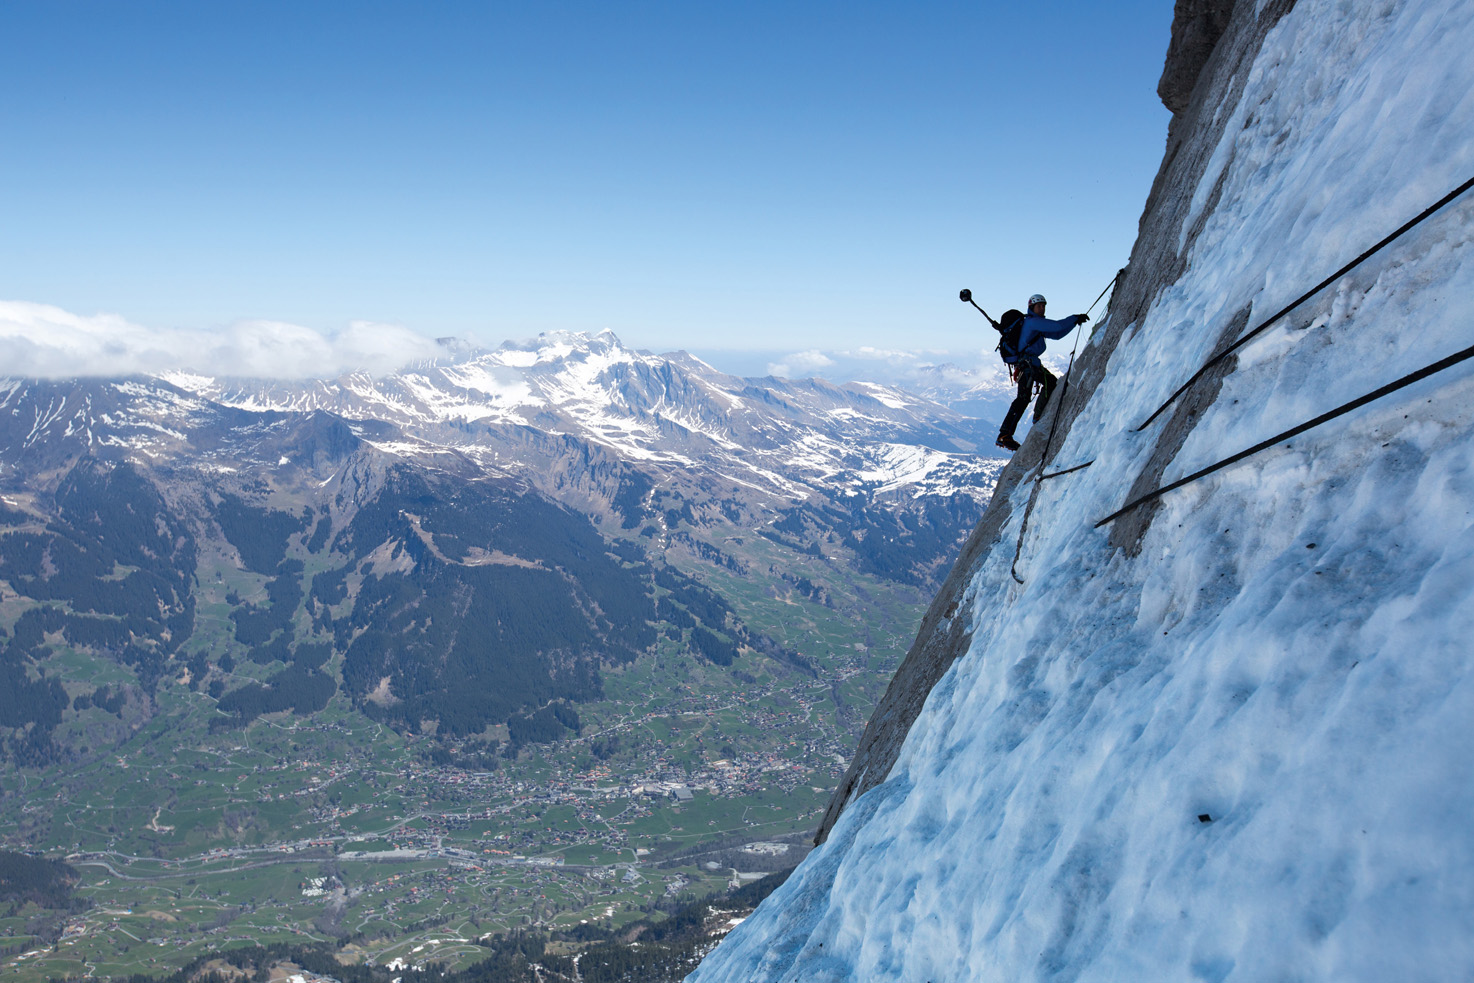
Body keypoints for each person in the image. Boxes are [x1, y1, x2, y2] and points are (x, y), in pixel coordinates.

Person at [995, 294, 1088, 451]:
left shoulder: (1035, 324)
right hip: (1028, 366)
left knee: (1047, 384)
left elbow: (1057, 334)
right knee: (1024, 397)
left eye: (1043, 305)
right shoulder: (1033, 322)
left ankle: (1034, 418)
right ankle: (1005, 435)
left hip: (1029, 365)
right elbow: (1057, 326)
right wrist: (1074, 318)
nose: (1042, 308)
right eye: (1039, 306)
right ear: (1031, 308)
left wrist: (1074, 323)